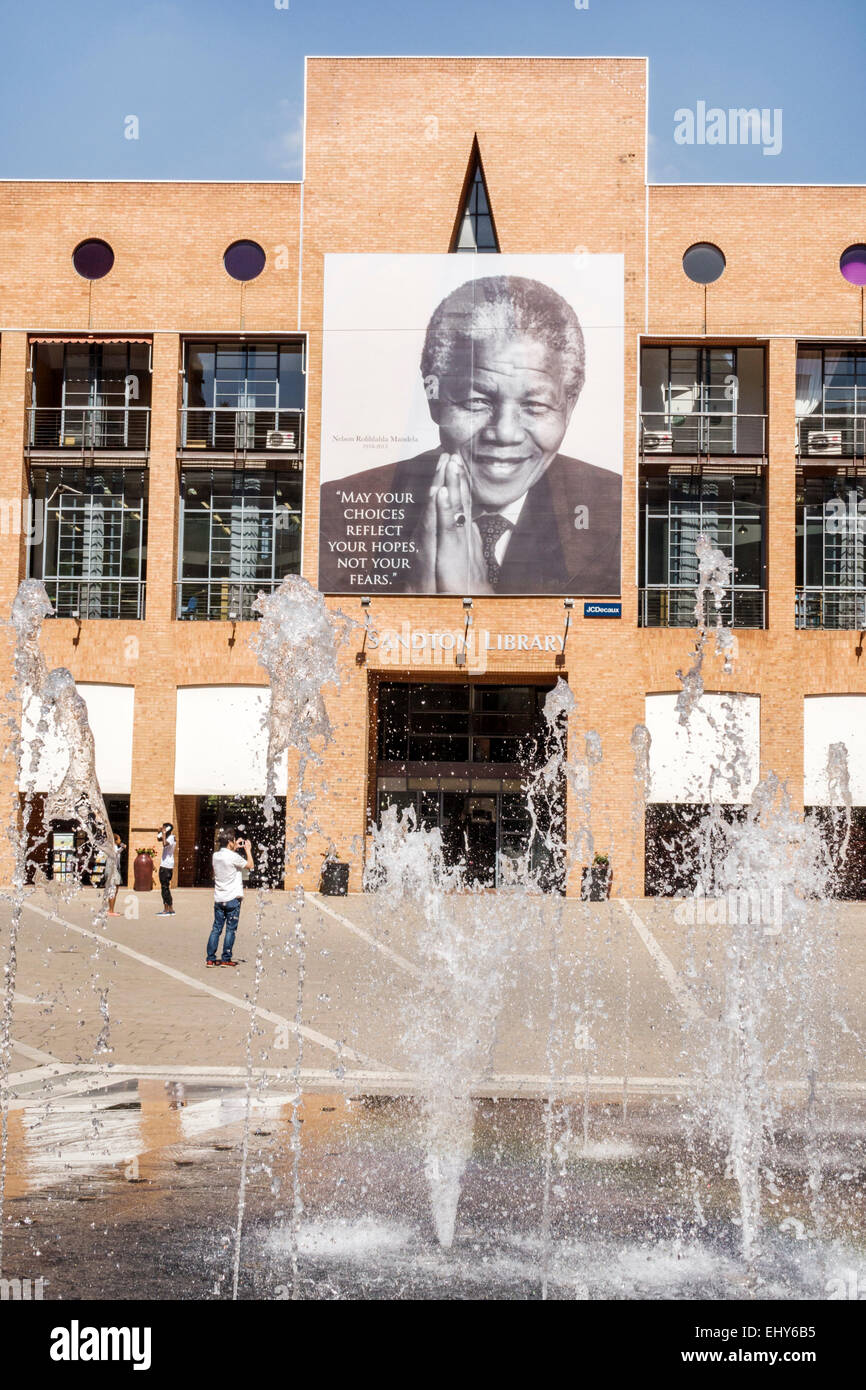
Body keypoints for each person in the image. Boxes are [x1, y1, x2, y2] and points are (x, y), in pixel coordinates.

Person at [319, 274, 621, 595]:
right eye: (476, 402)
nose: (504, 433)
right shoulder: (340, 510)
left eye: (534, 405)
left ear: (569, 405)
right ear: (433, 399)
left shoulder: (615, 512)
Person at [206, 827, 254, 969]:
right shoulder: (233, 857)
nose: (235, 842)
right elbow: (250, 865)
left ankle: (210, 959)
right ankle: (226, 958)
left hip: (219, 899)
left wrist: (234, 848)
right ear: (229, 842)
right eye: (234, 841)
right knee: (230, 930)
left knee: (216, 929)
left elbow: (227, 857)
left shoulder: (216, 856)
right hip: (233, 899)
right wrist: (247, 850)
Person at [156, 822, 176, 917]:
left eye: (164, 827)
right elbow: (158, 839)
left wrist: (164, 833)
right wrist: (159, 832)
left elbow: (164, 844)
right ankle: (169, 908)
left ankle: (167, 909)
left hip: (166, 866)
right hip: (165, 865)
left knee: (165, 887)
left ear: (168, 829)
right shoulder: (168, 836)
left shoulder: (171, 838)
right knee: (165, 887)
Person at [106, 832, 126, 916]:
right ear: (115, 840)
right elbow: (116, 853)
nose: (120, 840)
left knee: (113, 890)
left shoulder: (113, 847)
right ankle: (111, 910)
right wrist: (122, 846)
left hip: (113, 870)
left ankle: (110, 909)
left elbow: (118, 852)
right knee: (113, 890)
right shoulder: (113, 847)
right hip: (113, 871)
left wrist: (122, 847)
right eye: (119, 839)